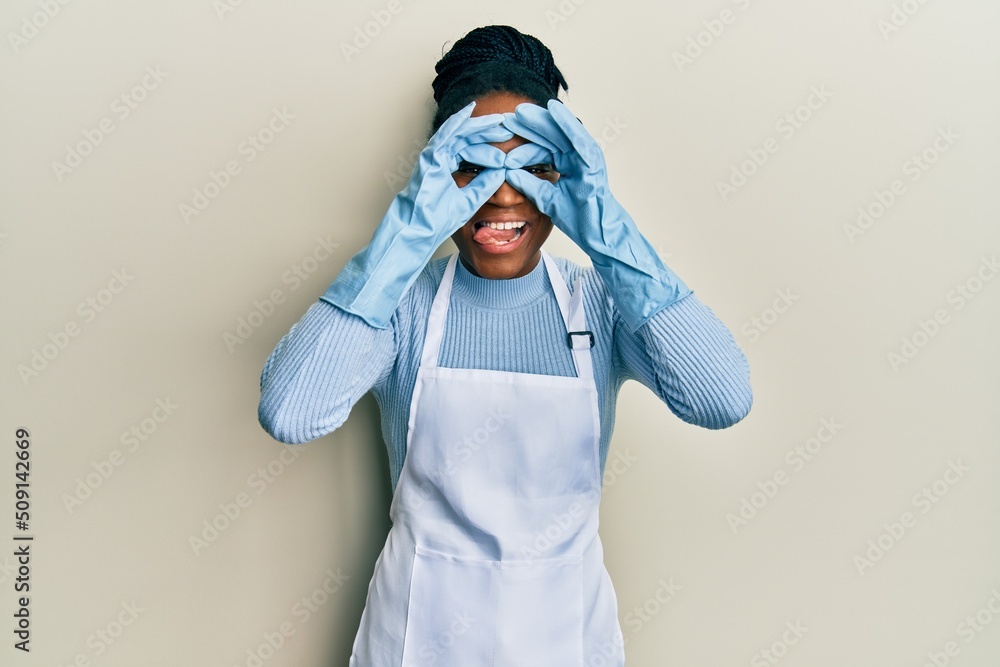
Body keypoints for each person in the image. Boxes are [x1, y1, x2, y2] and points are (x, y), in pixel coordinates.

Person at [258, 24, 752, 666]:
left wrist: (609, 230)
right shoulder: (401, 307)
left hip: (564, 642)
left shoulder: (602, 301)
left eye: (533, 166)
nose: (504, 192)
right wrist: (404, 235)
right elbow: (290, 412)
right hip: (417, 640)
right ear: (435, 177)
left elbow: (723, 399)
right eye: (473, 166)